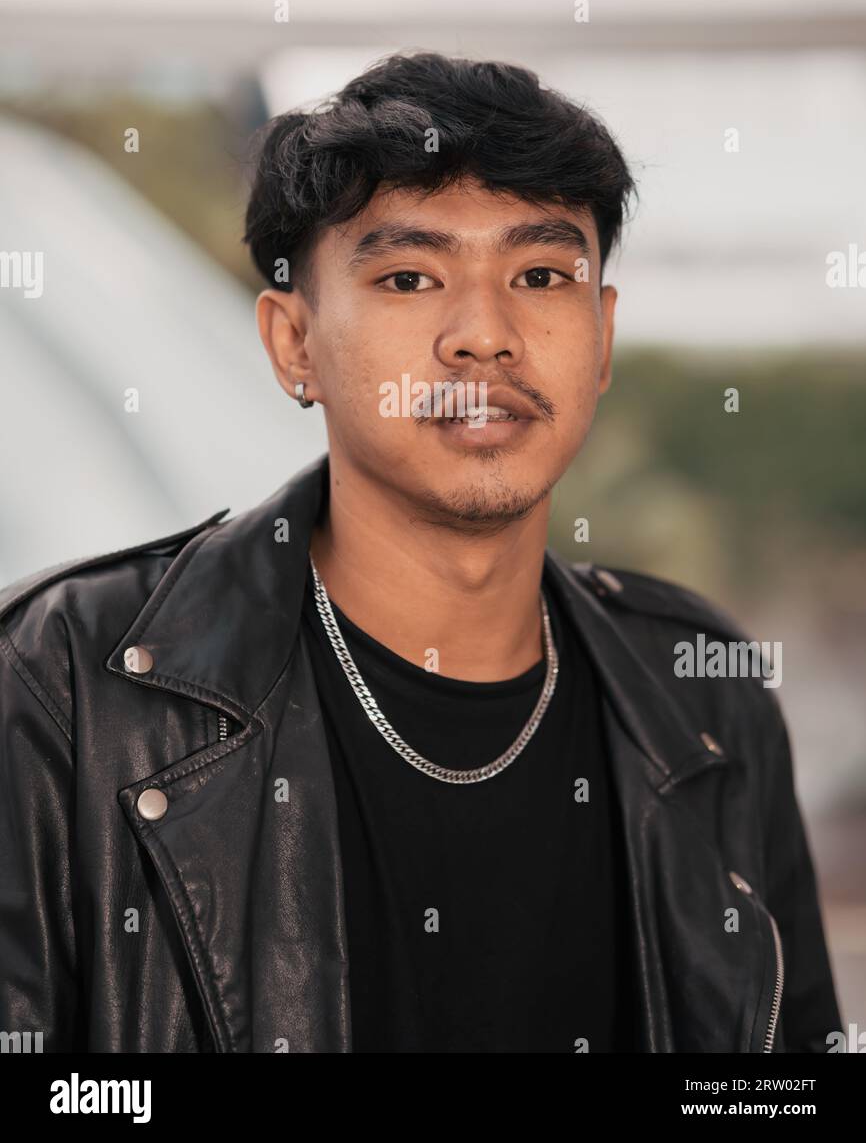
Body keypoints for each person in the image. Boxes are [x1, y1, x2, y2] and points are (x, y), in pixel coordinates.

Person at [0, 52, 842, 1053]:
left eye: (539, 275)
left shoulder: (702, 697)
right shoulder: (69, 685)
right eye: (408, 276)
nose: (483, 335)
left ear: (601, 336)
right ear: (291, 344)